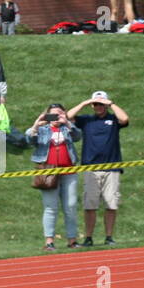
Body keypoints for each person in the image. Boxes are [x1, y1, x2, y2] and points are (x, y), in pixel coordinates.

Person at [67, 91, 131, 246]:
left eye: (101, 104)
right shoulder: (86, 120)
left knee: (111, 204)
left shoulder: (113, 119)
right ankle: (88, 238)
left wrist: (111, 104)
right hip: (91, 168)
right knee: (90, 205)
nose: (98, 107)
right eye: (96, 104)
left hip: (112, 167)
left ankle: (109, 237)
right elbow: (68, 116)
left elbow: (125, 118)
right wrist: (84, 103)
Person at [26, 104, 82, 251]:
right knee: (50, 207)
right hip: (48, 173)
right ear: (47, 115)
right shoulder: (43, 129)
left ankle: (72, 240)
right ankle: (49, 241)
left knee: (70, 206)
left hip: (69, 171)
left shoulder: (67, 128)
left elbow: (78, 136)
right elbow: (28, 139)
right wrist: (37, 124)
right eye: (53, 115)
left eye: (59, 114)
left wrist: (68, 123)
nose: (56, 117)